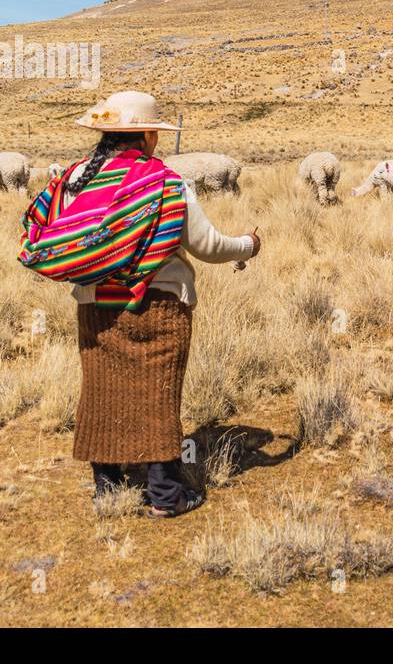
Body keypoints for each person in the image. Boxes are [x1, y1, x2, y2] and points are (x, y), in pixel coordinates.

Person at [44, 91, 259, 517]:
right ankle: (165, 495)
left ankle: (107, 488)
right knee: (158, 395)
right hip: (158, 307)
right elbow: (207, 245)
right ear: (144, 135)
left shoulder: (74, 181)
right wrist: (247, 246)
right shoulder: (163, 181)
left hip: (94, 306)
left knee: (102, 393)